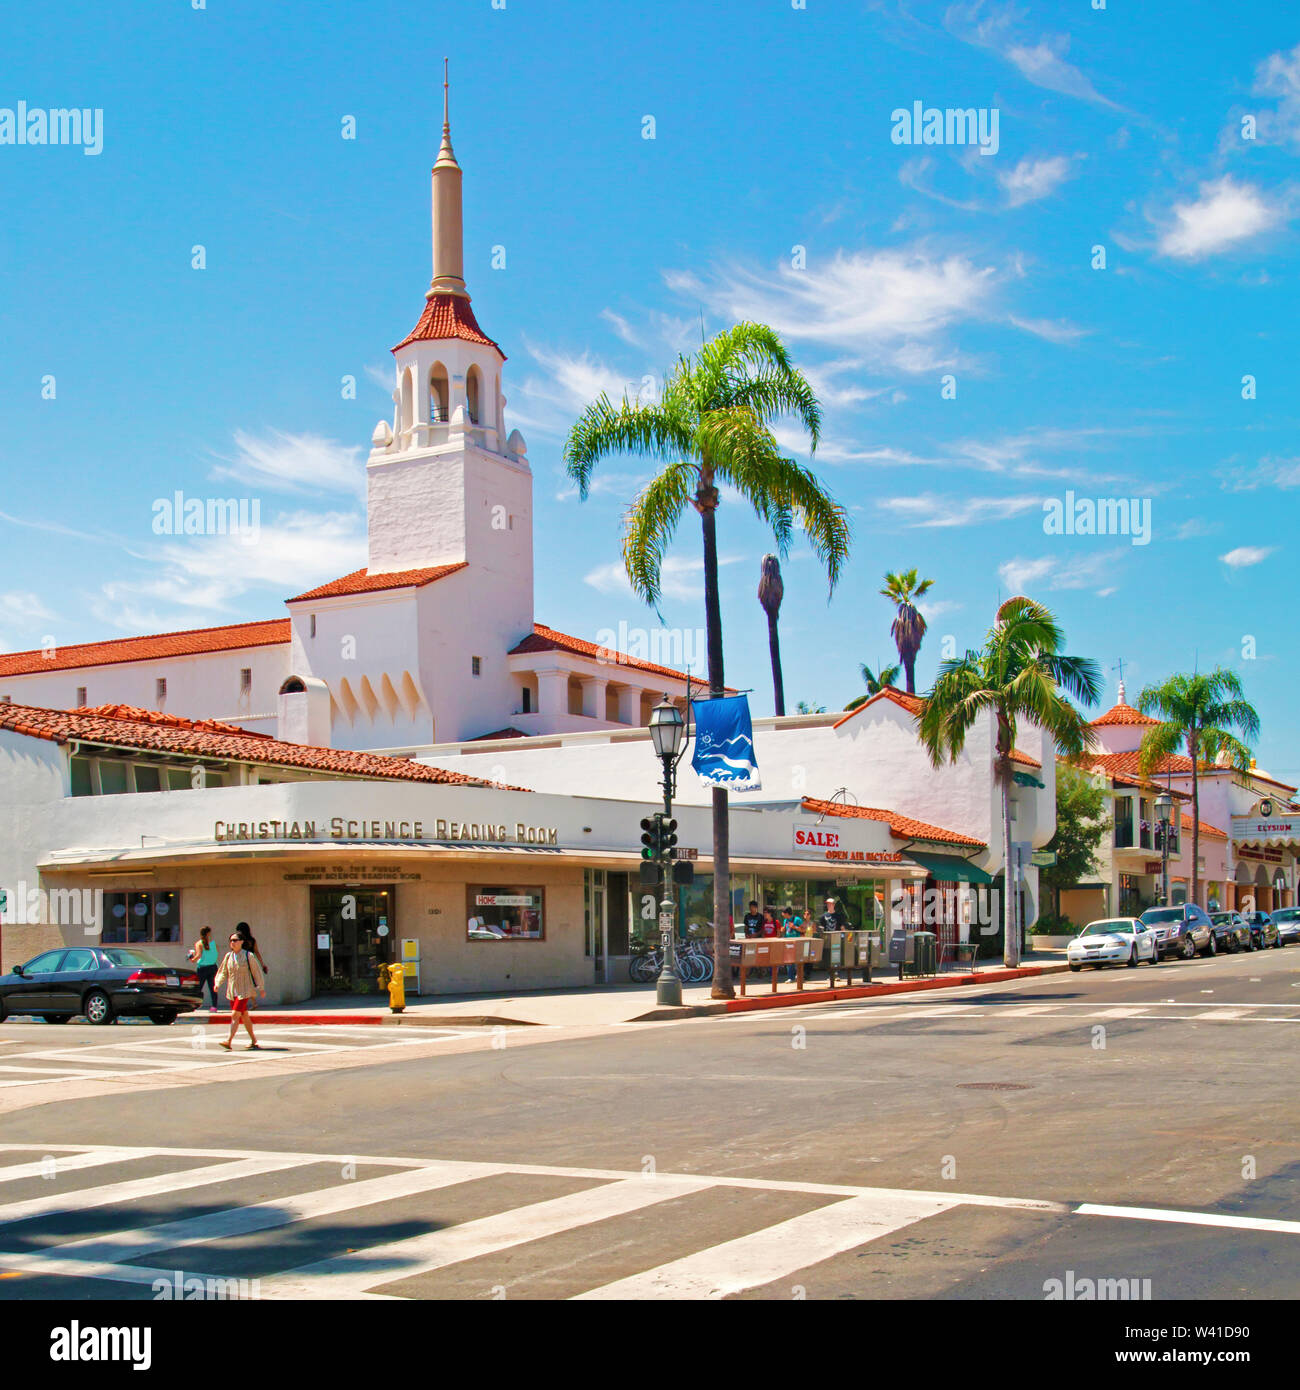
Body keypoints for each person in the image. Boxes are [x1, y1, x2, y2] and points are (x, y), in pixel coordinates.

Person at [215, 931, 266, 1051]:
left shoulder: (249, 956)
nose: (232, 942)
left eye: (235, 940)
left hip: (245, 990)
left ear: (241, 942)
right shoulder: (228, 956)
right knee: (244, 1016)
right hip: (233, 991)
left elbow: (256, 972)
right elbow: (223, 972)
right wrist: (218, 983)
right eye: (231, 940)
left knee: (235, 1015)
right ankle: (253, 1040)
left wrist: (261, 987)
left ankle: (228, 1040)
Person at [187, 926, 220, 1009]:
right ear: (209, 933)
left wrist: (192, 958)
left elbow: (198, 956)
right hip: (213, 966)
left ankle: (195, 1004)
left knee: (198, 987)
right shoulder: (213, 943)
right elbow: (216, 954)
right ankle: (214, 1006)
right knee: (213, 987)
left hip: (202, 968)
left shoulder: (199, 943)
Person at [781, 907, 802, 982]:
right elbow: (784, 929)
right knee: (789, 960)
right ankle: (790, 977)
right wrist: (782, 929)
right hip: (788, 941)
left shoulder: (797, 919)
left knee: (797, 960)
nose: (782, 915)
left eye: (783, 913)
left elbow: (802, 929)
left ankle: (798, 976)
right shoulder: (785, 920)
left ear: (786, 913)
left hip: (796, 941)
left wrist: (794, 927)